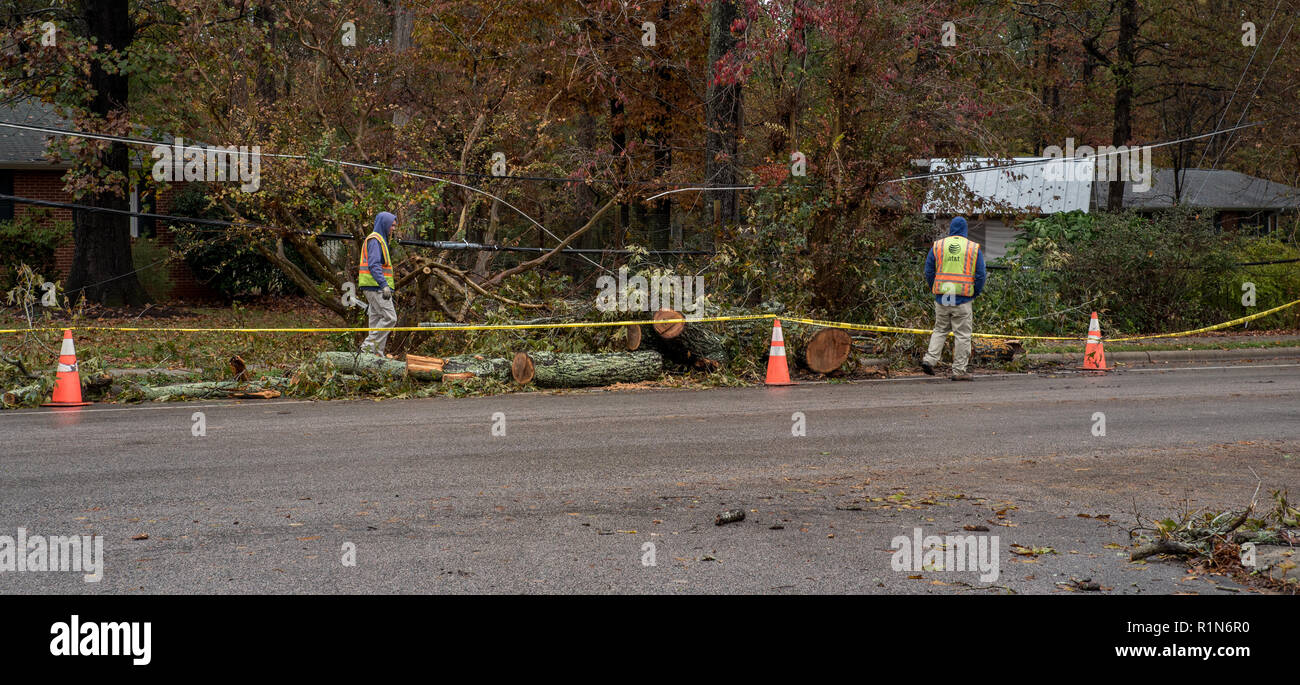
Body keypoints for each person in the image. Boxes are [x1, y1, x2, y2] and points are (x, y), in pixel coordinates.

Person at [921, 216, 986, 381]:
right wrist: (975, 293)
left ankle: (929, 359)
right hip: (963, 299)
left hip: (943, 297)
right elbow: (980, 275)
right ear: (965, 230)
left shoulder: (938, 246)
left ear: (951, 229)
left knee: (940, 329)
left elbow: (929, 271)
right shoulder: (972, 248)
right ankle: (959, 371)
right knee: (962, 335)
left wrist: (935, 289)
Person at [358, 211, 399, 355]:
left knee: (376, 321)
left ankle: (375, 355)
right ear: (385, 224)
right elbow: (374, 265)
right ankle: (366, 348)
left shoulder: (378, 239)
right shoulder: (375, 240)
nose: (393, 228)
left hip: (373, 286)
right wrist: (384, 285)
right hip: (376, 287)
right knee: (390, 318)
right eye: (392, 225)